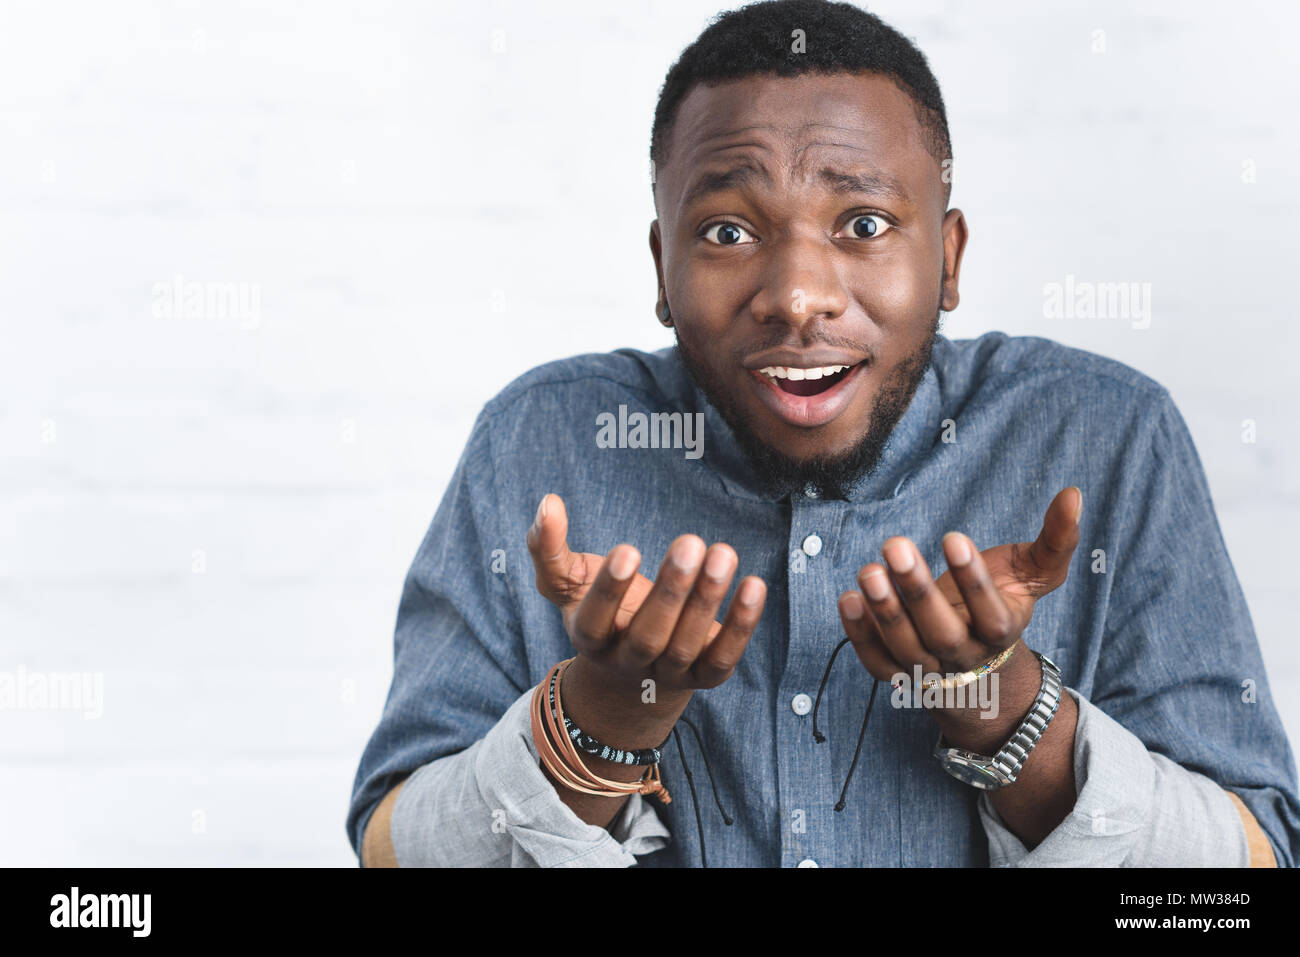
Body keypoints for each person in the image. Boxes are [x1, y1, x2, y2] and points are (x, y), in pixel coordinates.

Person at [347, 0, 1299, 867]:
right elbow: (391, 851)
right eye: (726, 231)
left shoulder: (1107, 436)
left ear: (950, 257)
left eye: (866, 222)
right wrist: (598, 715)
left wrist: (1004, 708)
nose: (798, 297)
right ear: (661, 267)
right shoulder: (538, 441)